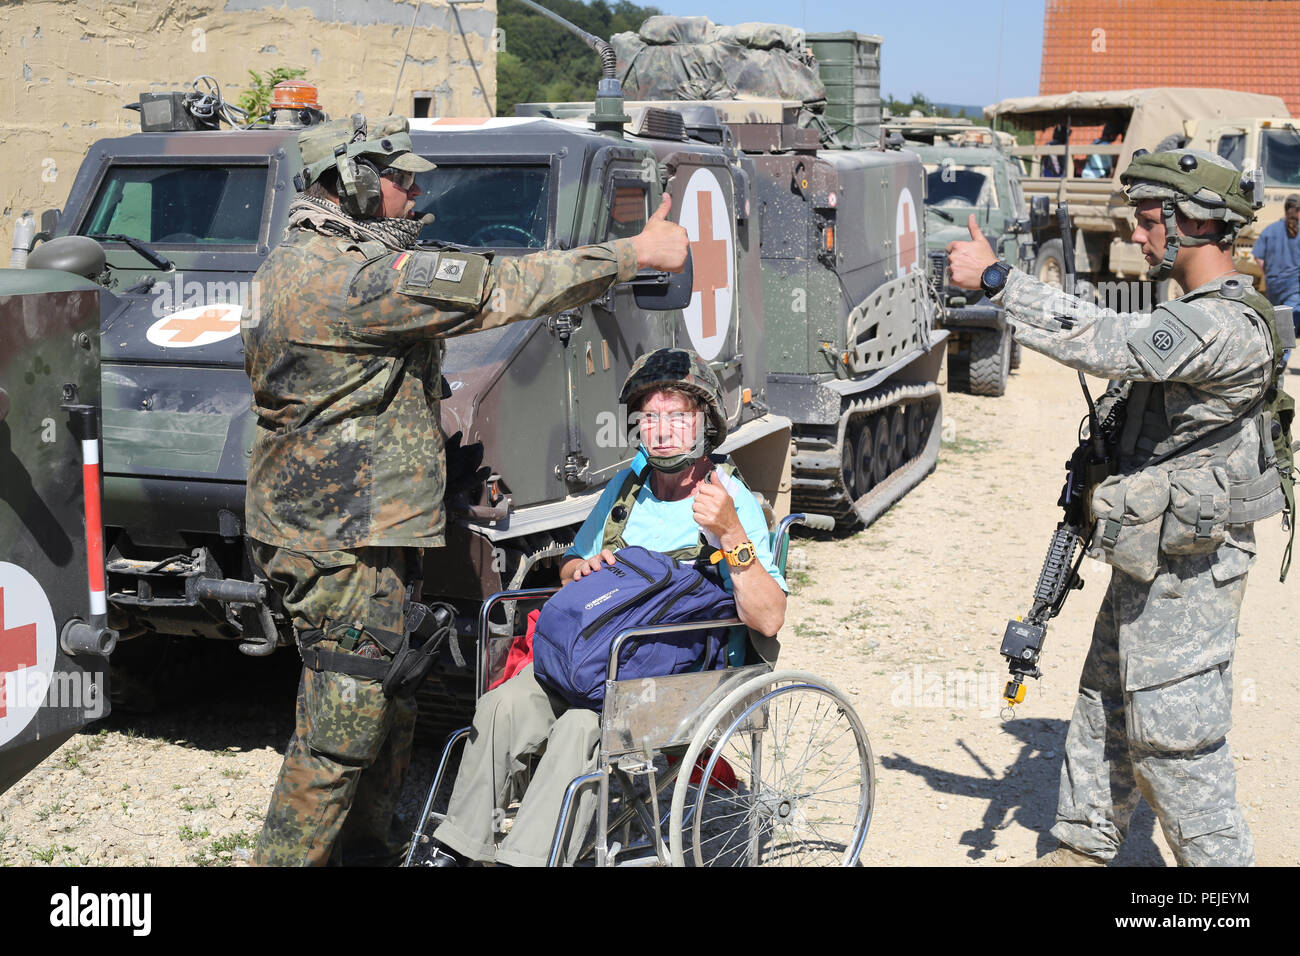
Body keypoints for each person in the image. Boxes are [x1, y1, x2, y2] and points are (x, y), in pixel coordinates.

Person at [245, 115, 689, 866]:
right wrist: (632, 254)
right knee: (341, 725)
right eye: (400, 179)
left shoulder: (287, 264)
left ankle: (363, 852)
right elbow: (503, 288)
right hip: (345, 536)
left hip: (345, 526)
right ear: (349, 183)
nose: (418, 191)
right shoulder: (358, 279)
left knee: (391, 694)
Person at [947, 148, 1284, 866]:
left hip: (1189, 570)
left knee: (1174, 741)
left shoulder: (1226, 325)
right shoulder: (1193, 311)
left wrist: (1001, 283)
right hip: (1151, 548)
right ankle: (1082, 845)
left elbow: (1112, 342)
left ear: (1196, 222)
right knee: (1107, 704)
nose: (1137, 233)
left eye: (1149, 217)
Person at [424, 348, 788, 866]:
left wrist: (730, 533)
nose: (662, 431)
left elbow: (769, 618)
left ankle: (527, 859)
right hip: (594, 660)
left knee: (577, 728)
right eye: (650, 418)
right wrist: (585, 568)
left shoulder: (729, 499)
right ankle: (458, 849)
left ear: (705, 425)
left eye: (678, 417)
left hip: (668, 675)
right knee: (503, 707)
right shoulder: (628, 489)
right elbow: (571, 566)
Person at [1252, 193, 1300, 320]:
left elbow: (1258, 257)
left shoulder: (1269, 230)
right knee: (1291, 324)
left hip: (1273, 284)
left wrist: (1267, 273)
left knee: (1277, 321)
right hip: (1294, 286)